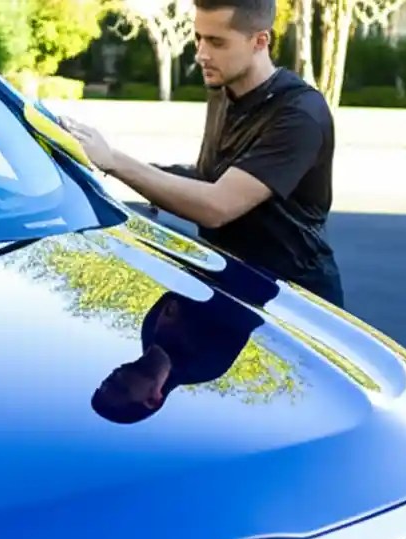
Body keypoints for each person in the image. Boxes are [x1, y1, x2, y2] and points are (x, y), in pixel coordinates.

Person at [60, 0, 344, 308]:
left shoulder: (299, 115)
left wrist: (114, 161)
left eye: (217, 42)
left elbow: (217, 206)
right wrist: (110, 164)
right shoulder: (224, 91)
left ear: (260, 41)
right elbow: (210, 176)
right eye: (199, 38)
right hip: (230, 280)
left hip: (295, 298)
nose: (201, 54)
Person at [92, 290, 264, 424]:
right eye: (121, 388)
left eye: (108, 381)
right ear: (152, 400)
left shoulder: (149, 332)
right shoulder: (206, 365)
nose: (115, 375)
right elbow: (247, 303)